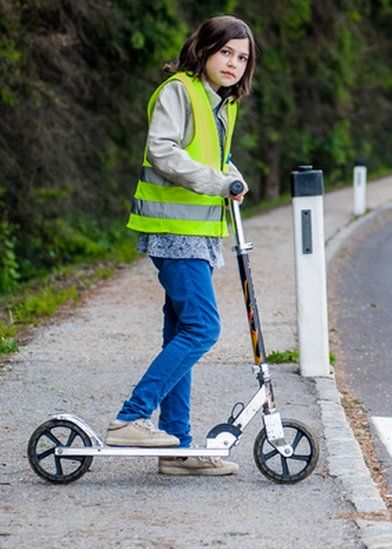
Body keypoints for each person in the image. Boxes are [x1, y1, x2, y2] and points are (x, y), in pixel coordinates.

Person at [105, 15, 256, 477]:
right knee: (202, 328)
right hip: (173, 231)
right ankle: (131, 418)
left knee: (181, 332)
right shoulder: (179, 90)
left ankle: (177, 444)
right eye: (226, 52)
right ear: (205, 50)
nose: (233, 63)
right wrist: (218, 181)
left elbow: (213, 156)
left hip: (199, 235)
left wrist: (232, 175)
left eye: (242, 57)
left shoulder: (222, 105)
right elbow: (163, 151)